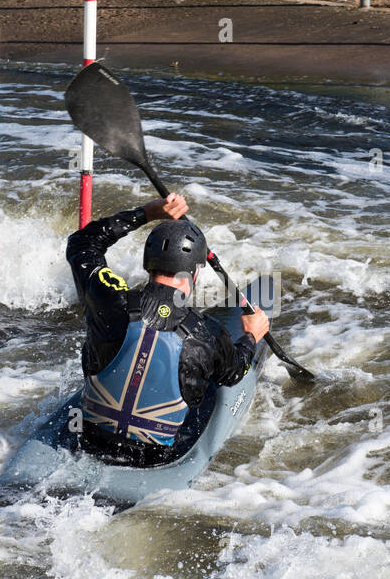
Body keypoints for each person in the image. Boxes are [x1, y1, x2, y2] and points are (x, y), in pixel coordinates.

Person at [65, 193, 270, 467]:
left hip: (89, 441)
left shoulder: (107, 298)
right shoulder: (207, 334)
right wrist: (250, 336)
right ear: (194, 274)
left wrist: (147, 213)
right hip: (152, 459)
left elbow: (82, 243)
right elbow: (234, 373)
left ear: (147, 263)